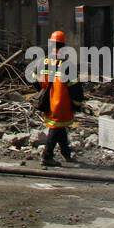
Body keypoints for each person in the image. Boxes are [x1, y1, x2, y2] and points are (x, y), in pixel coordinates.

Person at [36, 30, 83, 167]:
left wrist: (43, 92)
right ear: (63, 45)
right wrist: (77, 103)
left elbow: (34, 78)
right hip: (61, 102)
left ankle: (66, 153)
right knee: (56, 127)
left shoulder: (43, 61)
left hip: (48, 101)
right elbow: (75, 87)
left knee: (59, 126)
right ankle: (47, 156)